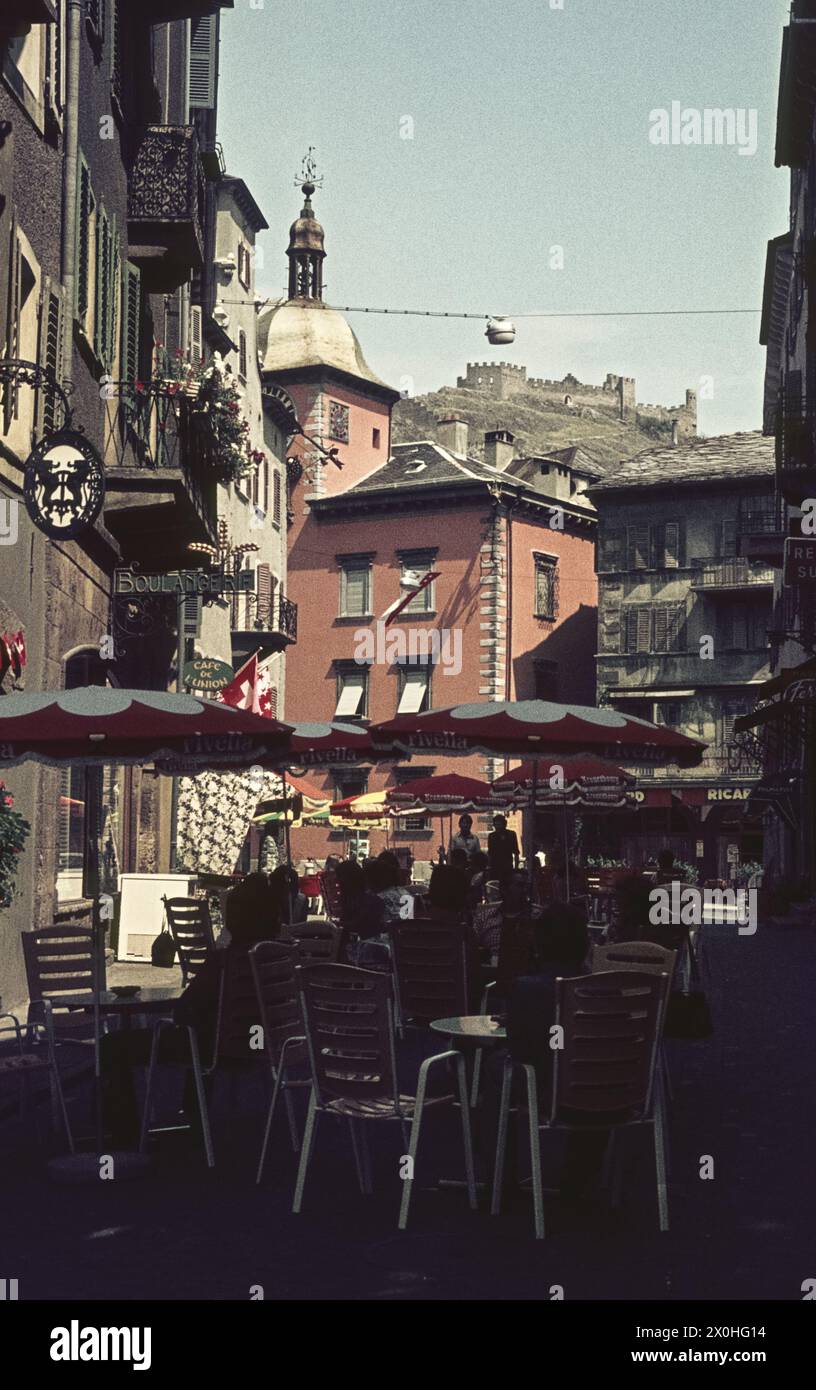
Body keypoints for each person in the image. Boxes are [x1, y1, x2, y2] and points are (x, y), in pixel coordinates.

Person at [101, 874, 281, 1147]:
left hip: (216, 1050)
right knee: (199, 1034)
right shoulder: (279, 960)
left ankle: (123, 1140)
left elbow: (184, 1012)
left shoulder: (224, 962)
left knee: (114, 1045)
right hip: (261, 1048)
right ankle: (196, 1119)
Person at [487, 814, 520, 886]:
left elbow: (516, 852)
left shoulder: (511, 834)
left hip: (507, 867)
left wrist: (516, 868)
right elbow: (490, 853)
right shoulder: (491, 836)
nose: (497, 827)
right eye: (496, 825)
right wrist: (489, 867)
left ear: (504, 824)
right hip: (495, 867)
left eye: (499, 824)